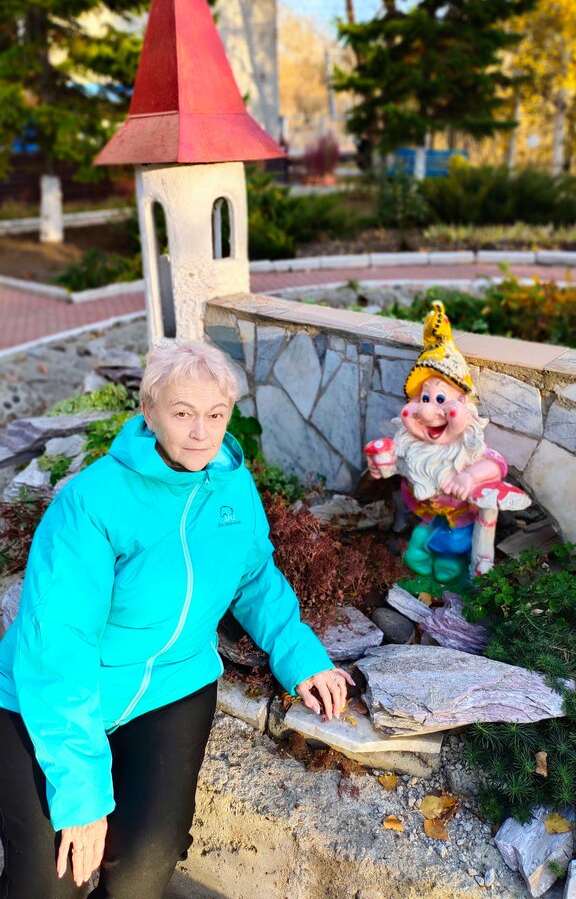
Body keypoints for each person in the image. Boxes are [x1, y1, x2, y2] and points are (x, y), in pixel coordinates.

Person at [0, 341, 352, 899]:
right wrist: (84, 796)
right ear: (149, 410)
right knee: (49, 881)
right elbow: (58, 649)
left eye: (216, 415)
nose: (201, 433)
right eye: (183, 413)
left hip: (171, 687)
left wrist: (300, 655)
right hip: (50, 698)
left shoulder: (232, 483)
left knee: (143, 869)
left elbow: (254, 575)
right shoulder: (93, 501)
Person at [365, 300, 508, 584]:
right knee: (419, 541)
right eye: (424, 399)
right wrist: (383, 467)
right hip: (428, 516)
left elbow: (496, 465)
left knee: (453, 544)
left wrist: (469, 476)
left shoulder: (467, 447)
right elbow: (401, 463)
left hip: (461, 521)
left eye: (440, 399)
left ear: (464, 404)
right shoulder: (413, 445)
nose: (427, 412)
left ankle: (448, 561)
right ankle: (428, 557)